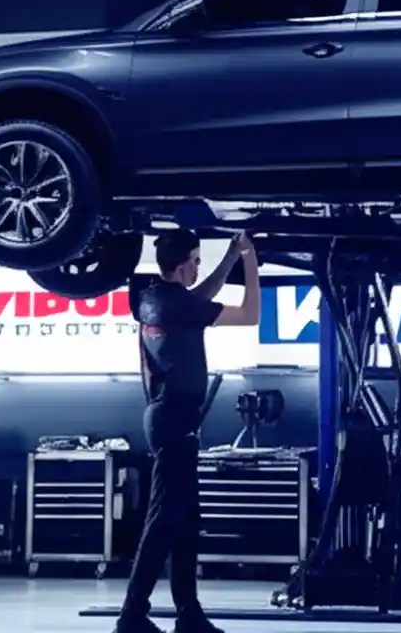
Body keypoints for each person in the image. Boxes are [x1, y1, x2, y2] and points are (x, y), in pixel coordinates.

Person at [116, 229, 261, 633]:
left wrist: (230, 256)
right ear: (182, 266)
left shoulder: (151, 297)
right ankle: (131, 617)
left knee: (185, 522)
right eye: (196, 261)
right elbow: (250, 314)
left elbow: (197, 297)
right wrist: (250, 259)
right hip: (174, 421)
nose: (198, 267)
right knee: (163, 522)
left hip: (168, 418)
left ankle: (189, 614)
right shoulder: (178, 304)